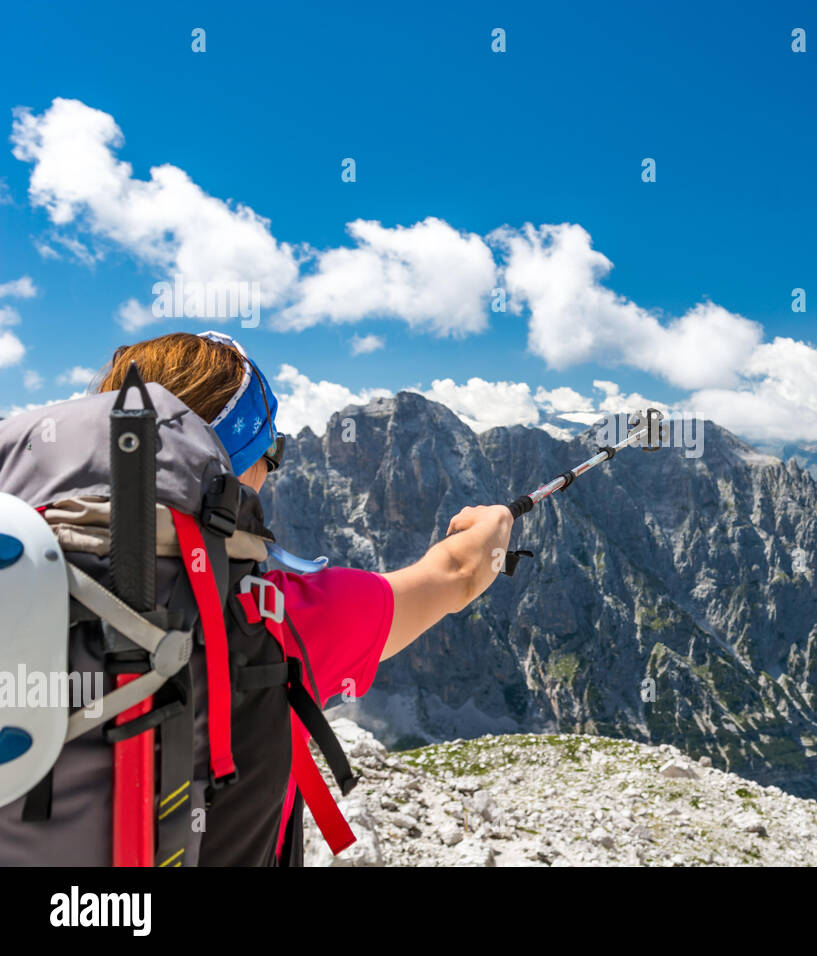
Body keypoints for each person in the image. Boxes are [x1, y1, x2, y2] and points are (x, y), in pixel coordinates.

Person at [94, 330, 515, 863]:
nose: (272, 468)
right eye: (272, 451)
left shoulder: (24, 578)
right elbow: (460, 571)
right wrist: (497, 519)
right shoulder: (276, 617)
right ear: (232, 469)